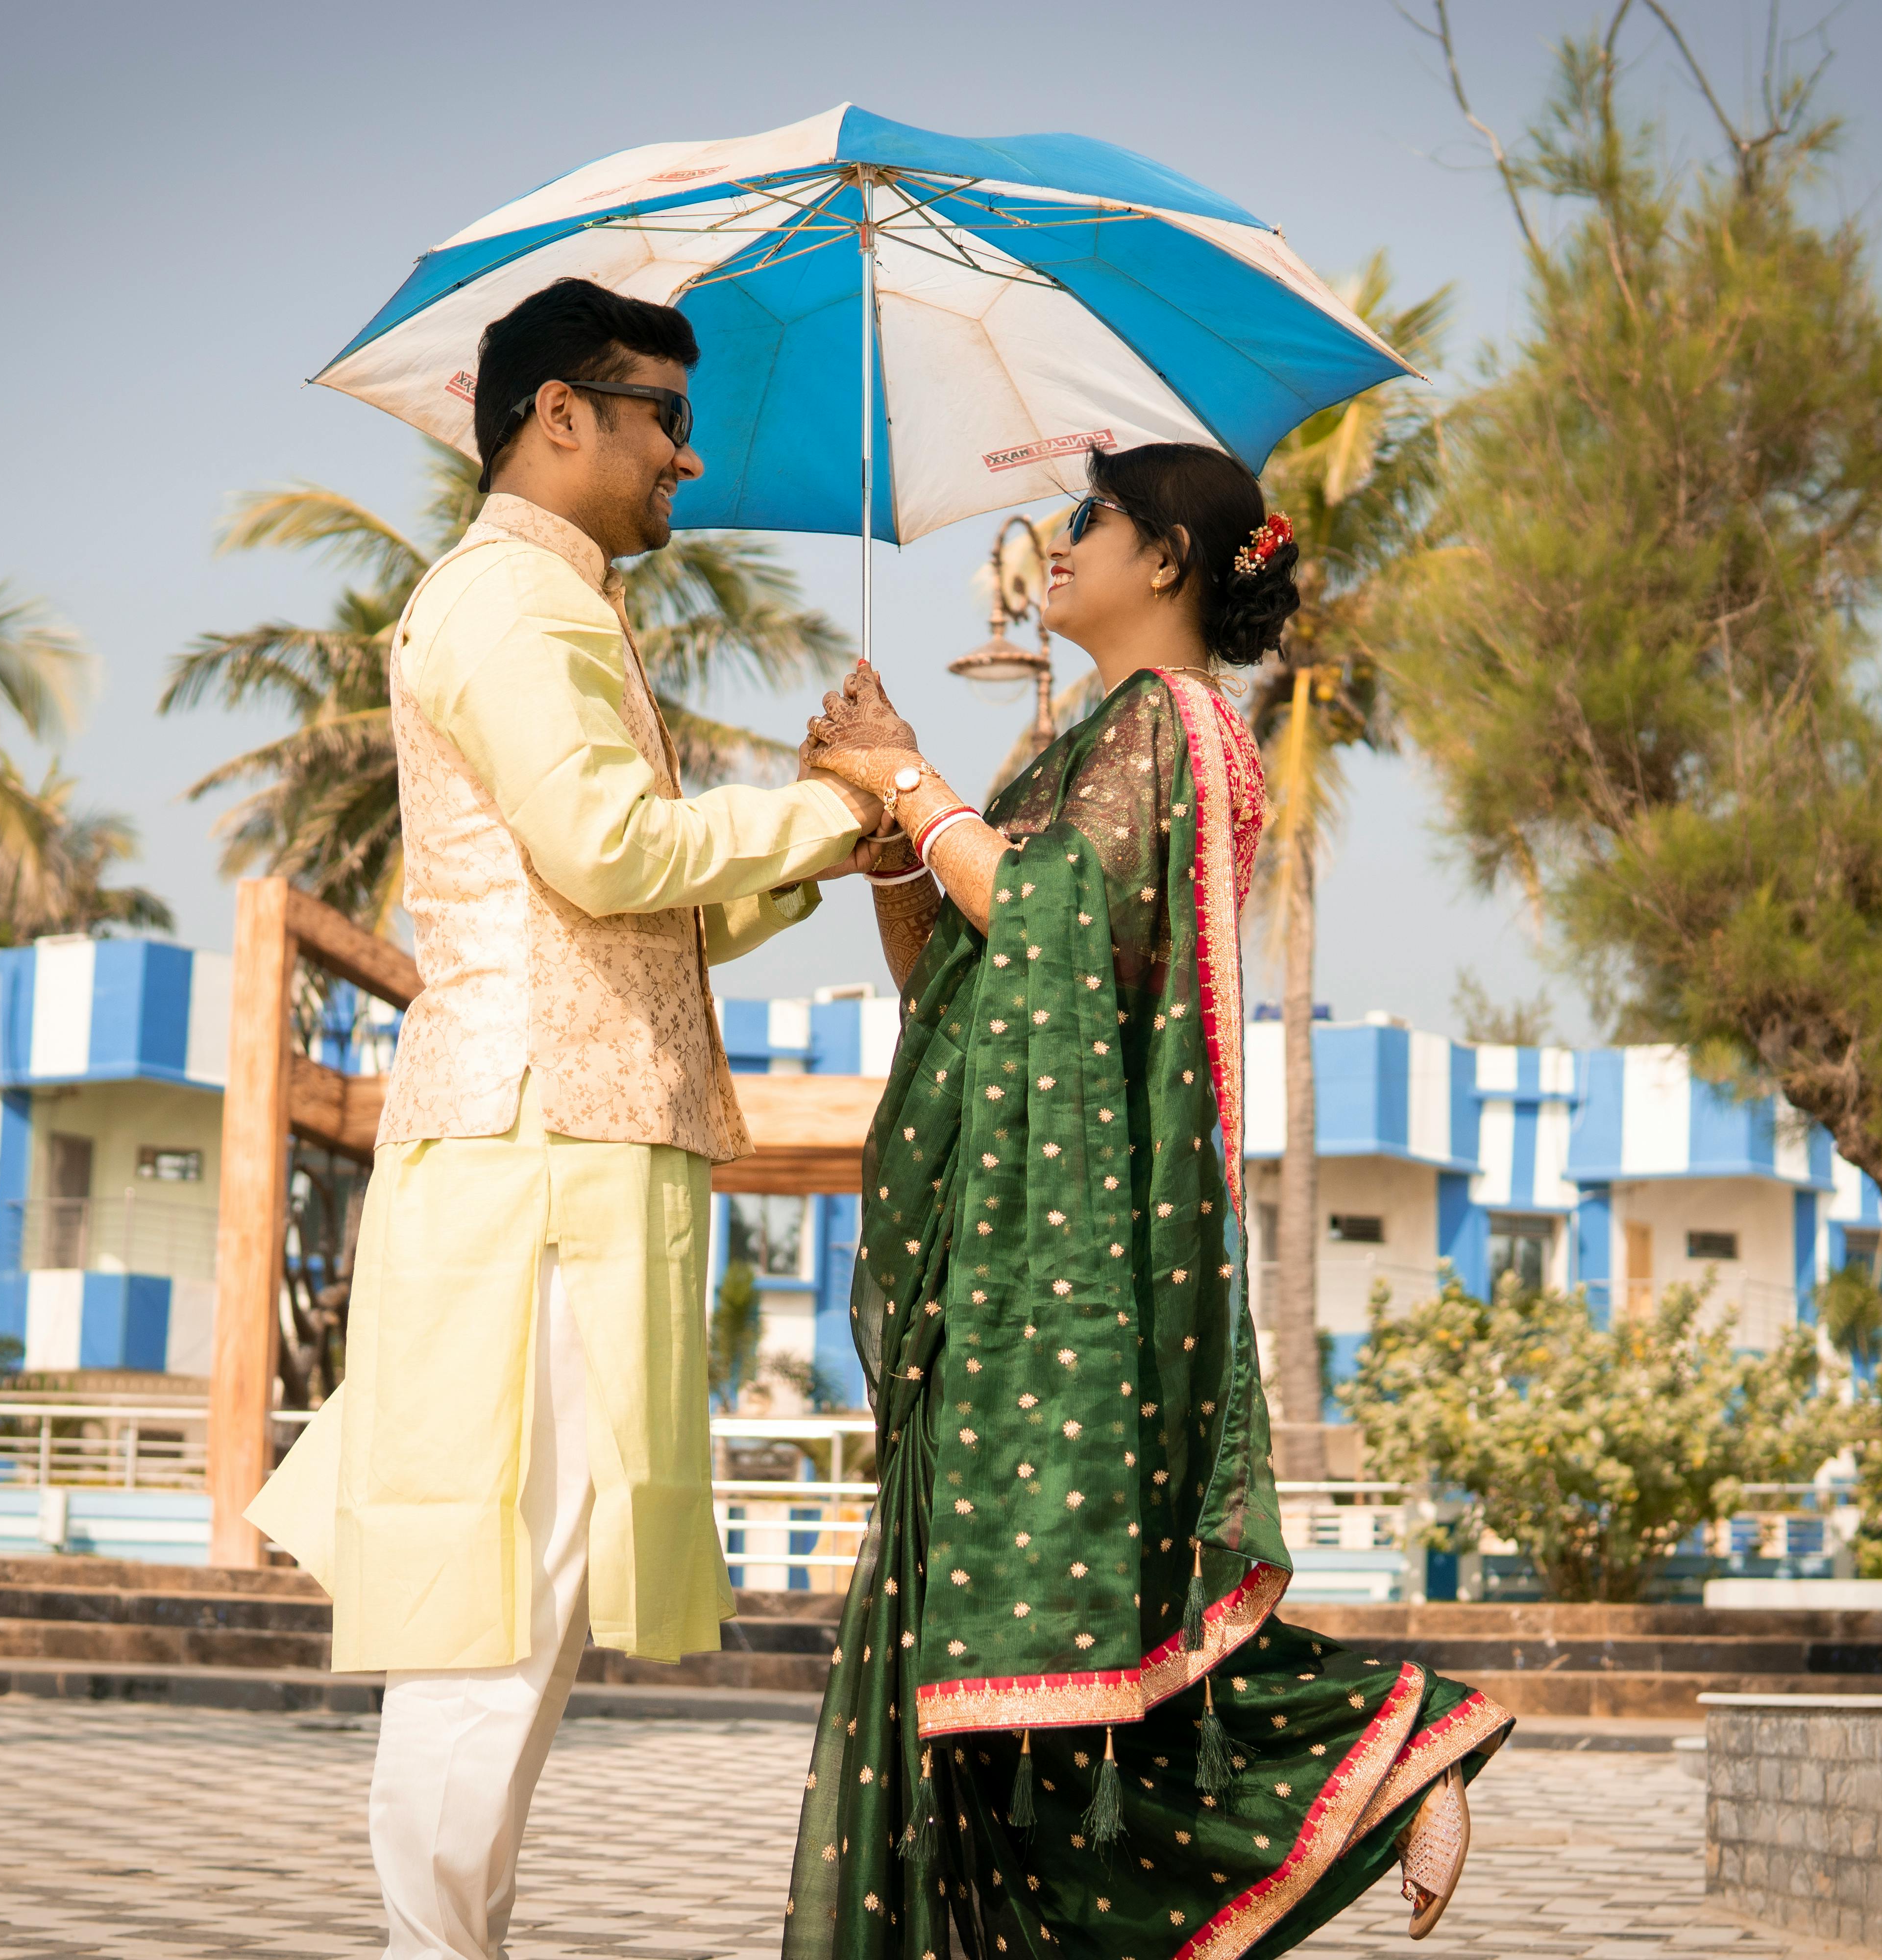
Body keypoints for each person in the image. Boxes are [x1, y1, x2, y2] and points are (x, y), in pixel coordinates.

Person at [782, 442, 1512, 1960]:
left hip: (1084, 1271)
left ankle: (1394, 1742)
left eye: (1089, 521)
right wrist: (883, 835)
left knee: (1092, 1619)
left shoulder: (1175, 728)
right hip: (996, 1267)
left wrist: (911, 780)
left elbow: (1050, 919)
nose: (1056, 545)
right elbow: (965, 984)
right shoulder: (1086, 739)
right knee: (997, 1691)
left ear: (1169, 560)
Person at [244, 277, 884, 1960]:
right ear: (558, 413)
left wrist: (836, 841)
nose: (690, 456)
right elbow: (609, 852)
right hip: (536, 1147)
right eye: (667, 416)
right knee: (489, 1606)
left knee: (525, 1603)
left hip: (572, 1144)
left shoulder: (565, 608)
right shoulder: (514, 609)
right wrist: (827, 804)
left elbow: (631, 906)